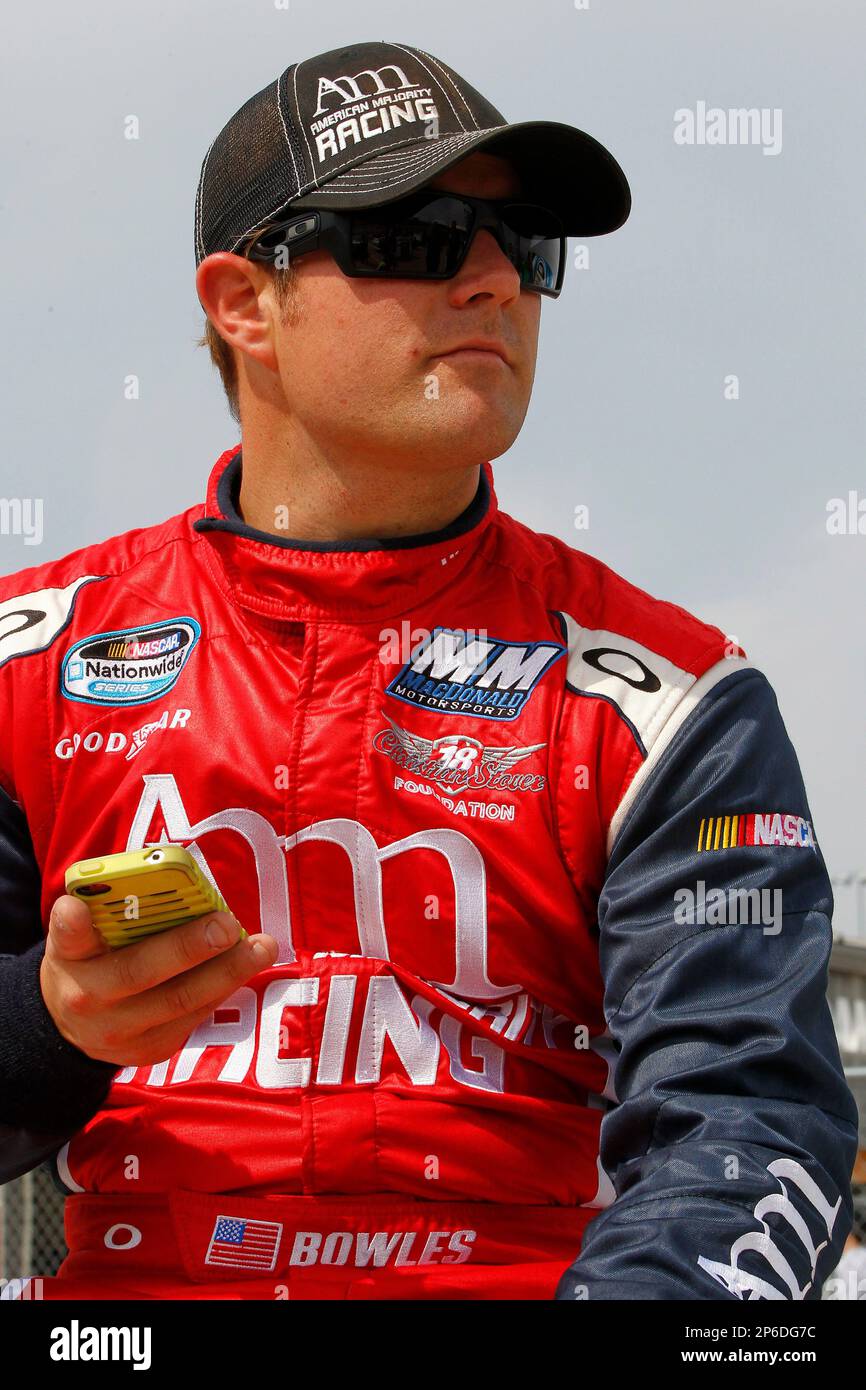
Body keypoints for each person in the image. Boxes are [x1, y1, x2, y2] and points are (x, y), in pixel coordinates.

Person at [0, 39, 857, 1302]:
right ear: (244, 304)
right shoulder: (36, 661)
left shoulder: (673, 704)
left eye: (527, 248)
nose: (496, 281)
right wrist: (52, 1021)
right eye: (418, 237)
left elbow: (746, 1131)